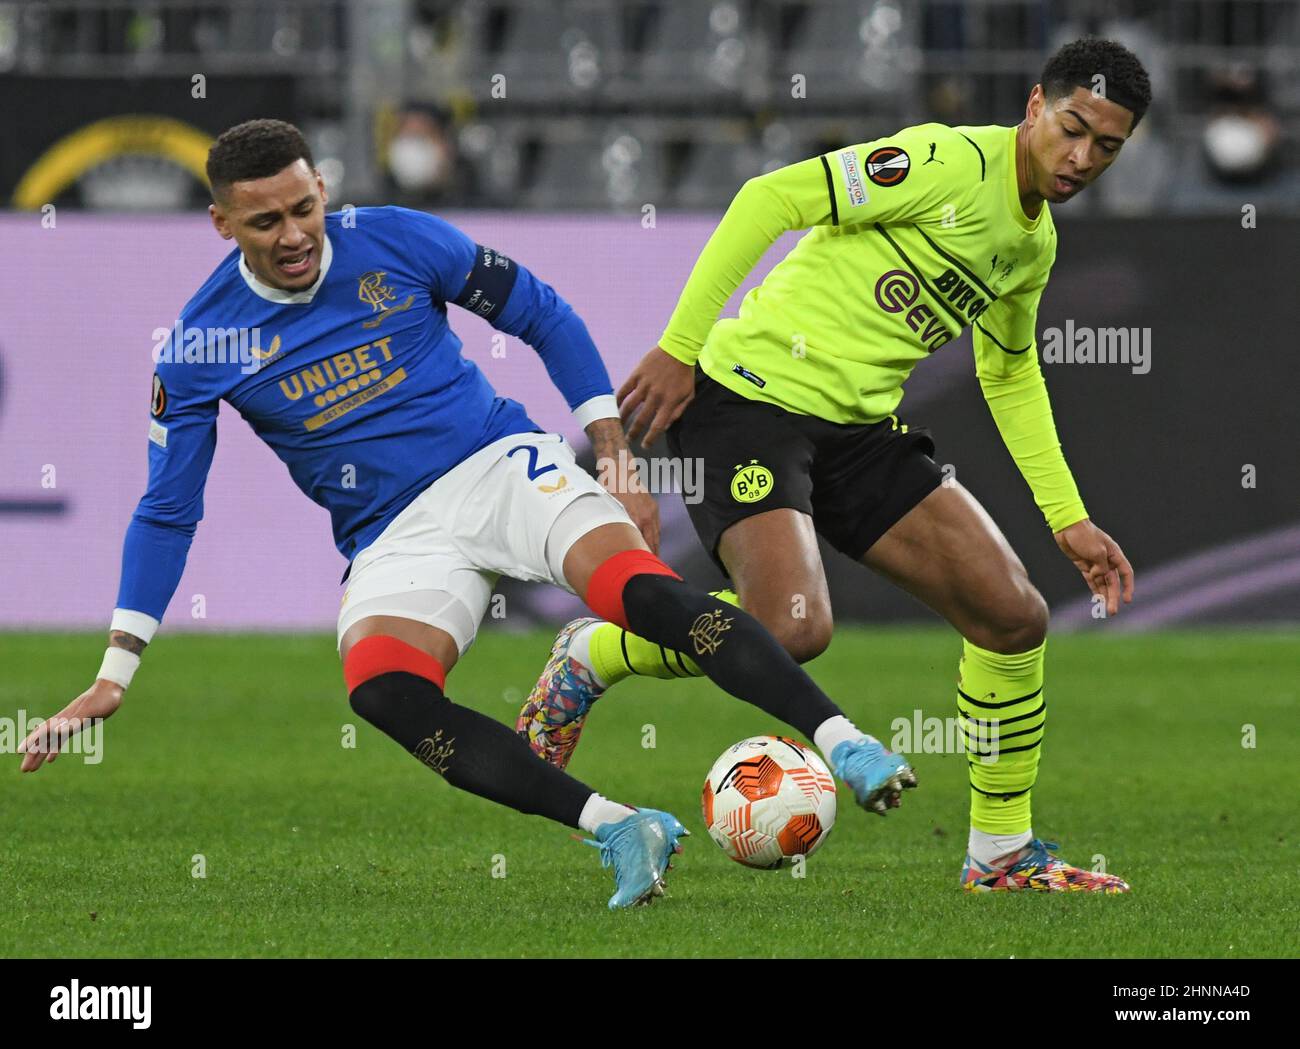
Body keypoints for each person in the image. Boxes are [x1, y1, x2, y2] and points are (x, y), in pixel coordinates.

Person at [19, 119, 916, 909]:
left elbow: (542, 314)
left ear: (320, 188)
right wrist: (115, 669)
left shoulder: (397, 240)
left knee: (640, 593)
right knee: (382, 688)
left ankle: (843, 739)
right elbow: (168, 509)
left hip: (498, 464)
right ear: (221, 224)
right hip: (392, 535)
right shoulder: (199, 346)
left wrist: (612, 452)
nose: (295, 235)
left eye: (304, 207)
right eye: (266, 221)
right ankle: (616, 825)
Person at [520, 38, 1148, 894]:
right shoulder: (945, 160)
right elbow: (770, 196)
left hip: (858, 431)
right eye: (1073, 128)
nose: (1082, 158)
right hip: (747, 403)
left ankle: (1001, 854)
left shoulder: (1031, 247)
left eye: (1107, 146)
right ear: (1036, 105)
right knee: (791, 628)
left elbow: (1008, 369)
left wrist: (1066, 516)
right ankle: (596, 653)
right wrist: (680, 345)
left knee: (1013, 615)